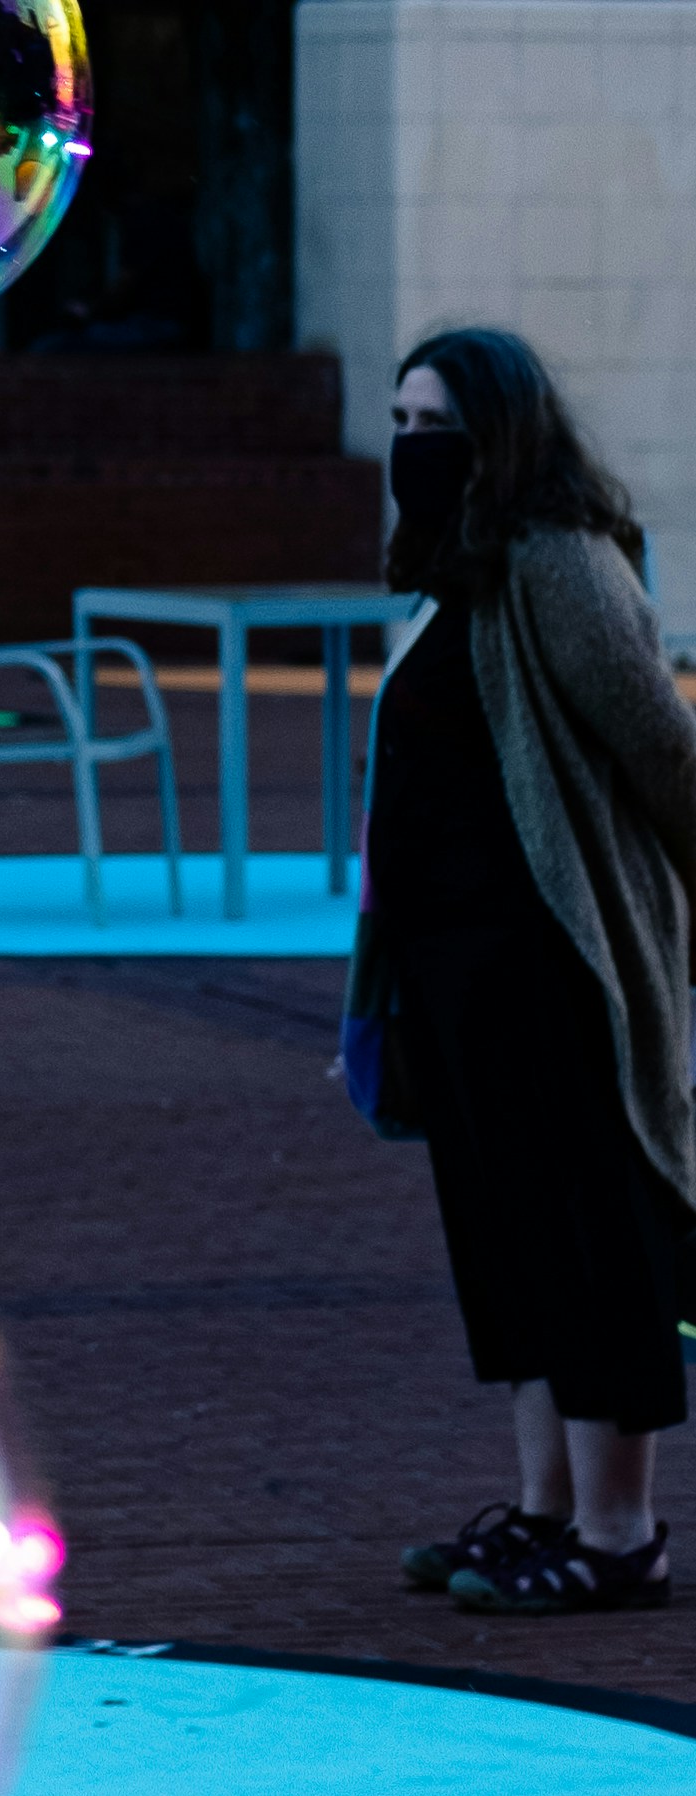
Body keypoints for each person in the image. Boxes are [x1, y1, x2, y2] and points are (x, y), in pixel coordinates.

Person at [346, 326, 696, 1615]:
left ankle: (620, 1535)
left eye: (434, 419)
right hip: (456, 979)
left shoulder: (558, 559)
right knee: (510, 1248)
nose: (409, 444)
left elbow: (662, 745)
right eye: (397, 417)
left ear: (500, 431)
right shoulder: (463, 573)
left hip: (557, 967)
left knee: (592, 1240)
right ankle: (545, 1510)